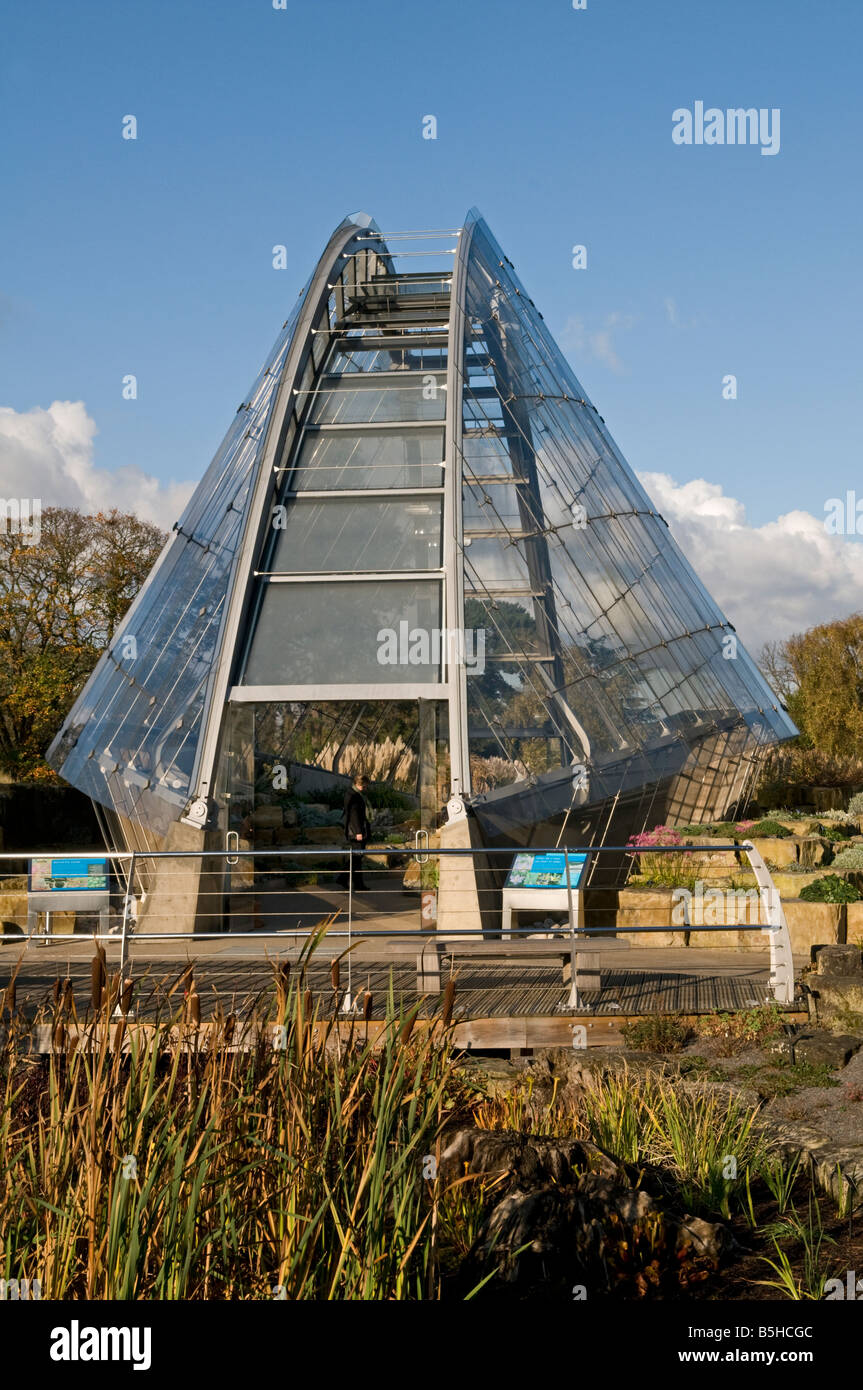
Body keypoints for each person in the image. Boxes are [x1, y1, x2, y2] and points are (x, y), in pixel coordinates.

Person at [341, 774, 370, 890]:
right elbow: (354, 815)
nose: (366, 788)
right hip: (356, 832)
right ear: (359, 784)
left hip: (357, 830)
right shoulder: (353, 795)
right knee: (356, 857)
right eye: (365, 785)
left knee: (357, 858)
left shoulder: (354, 794)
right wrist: (358, 832)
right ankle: (344, 879)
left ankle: (356, 883)